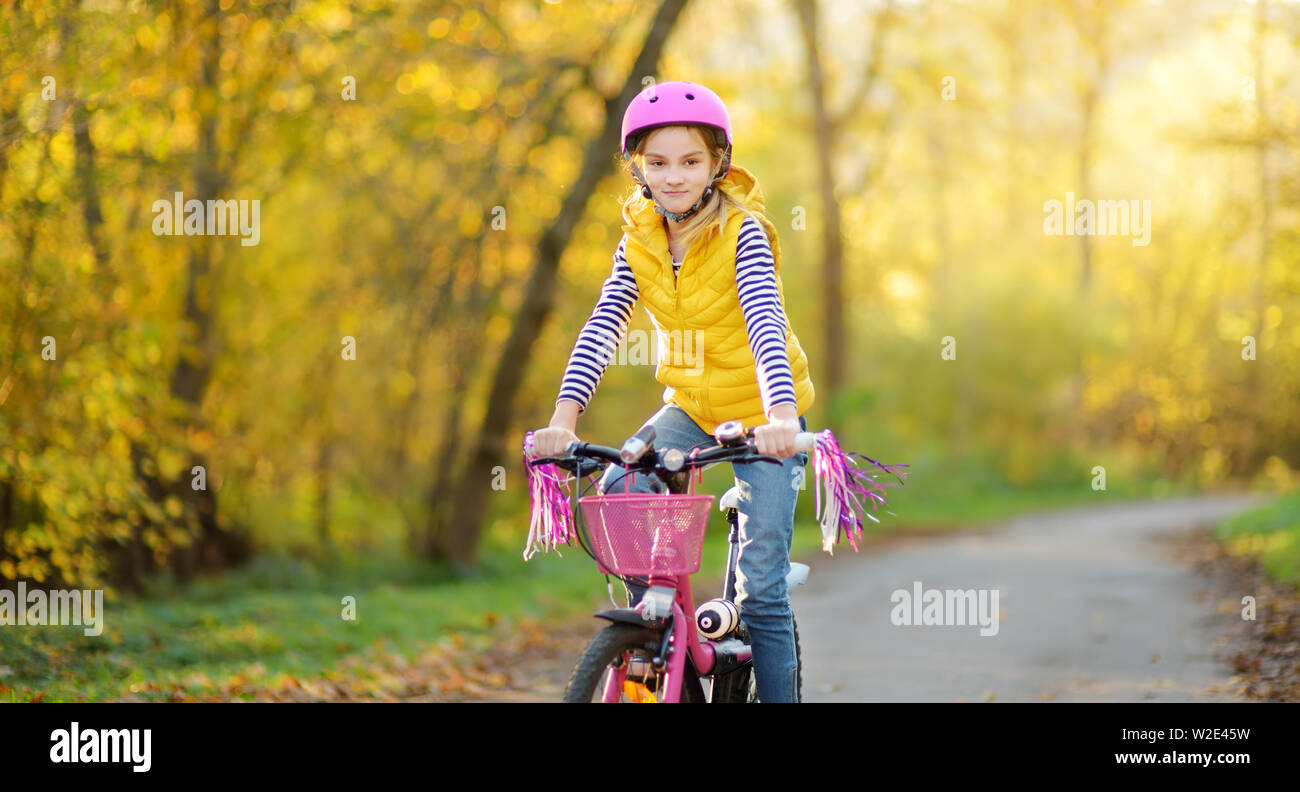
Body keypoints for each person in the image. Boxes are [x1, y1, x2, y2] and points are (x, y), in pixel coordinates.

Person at [528, 81, 816, 702]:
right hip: (687, 406)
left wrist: (783, 415)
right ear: (637, 166)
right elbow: (605, 322)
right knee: (620, 481)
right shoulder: (639, 237)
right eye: (657, 163)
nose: (674, 177)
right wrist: (563, 419)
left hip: (763, 411)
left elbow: (764, 320)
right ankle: (661, 630)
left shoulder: (743, 232)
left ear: (718, 163)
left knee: (762, 590)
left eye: (690, 162)